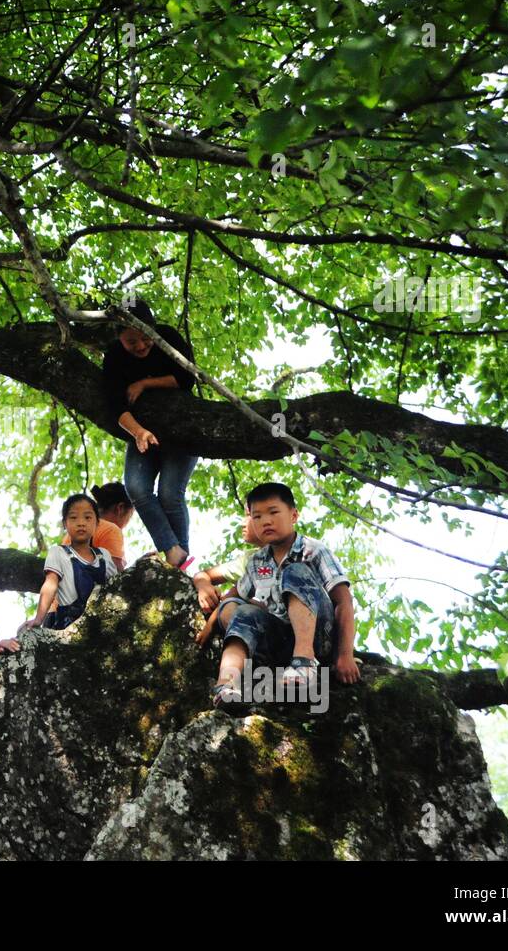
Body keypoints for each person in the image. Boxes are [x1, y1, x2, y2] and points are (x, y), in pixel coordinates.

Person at [209, 483, 360, 710]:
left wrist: (345, 655)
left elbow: (343, 601)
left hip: (320, 638)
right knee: (245, 611)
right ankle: (226, 687)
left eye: (273, 512)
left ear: (294, 515)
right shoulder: (257, 562)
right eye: (257, 516)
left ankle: (304, 663)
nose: (266, 521)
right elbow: (233, 596)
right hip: (280, 644)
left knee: (295, 571)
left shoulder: (313, 551)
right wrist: (209, 624)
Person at [102, 296, 199, 570]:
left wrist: (145, 383)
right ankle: (173, 551)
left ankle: (179, 561)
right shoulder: (113, 357)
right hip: (143, 430)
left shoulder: (167, 336)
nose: (142, 345)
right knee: (136, 487)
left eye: (146, 337)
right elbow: (114, 406)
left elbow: (187, 376)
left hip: (181, 429)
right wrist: (139, 432)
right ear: (119, 337)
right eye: (132, 342)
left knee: (169, 493)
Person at [21, 494, 119, 631]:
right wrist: (38, 619)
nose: (81, 523)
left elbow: (118, 586)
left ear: (97, 523)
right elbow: (50, 584)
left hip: (101, 625)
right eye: (73, 517)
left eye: (87, 517)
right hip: (69, 624)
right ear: (65, 524)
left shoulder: (104, 556)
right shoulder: (58, 553)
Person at [187, 514, 261, 646]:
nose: (243, 524)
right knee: (230, 609)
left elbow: (235, 593)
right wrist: (203, 585)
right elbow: (203, 574)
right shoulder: (249, 559)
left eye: (250, 515)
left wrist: (210, 624)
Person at [59, 482, 133, 571]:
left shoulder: (70, 534)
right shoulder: (111, 529)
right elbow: (114, 573)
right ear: (120, 508)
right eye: (131, 514)